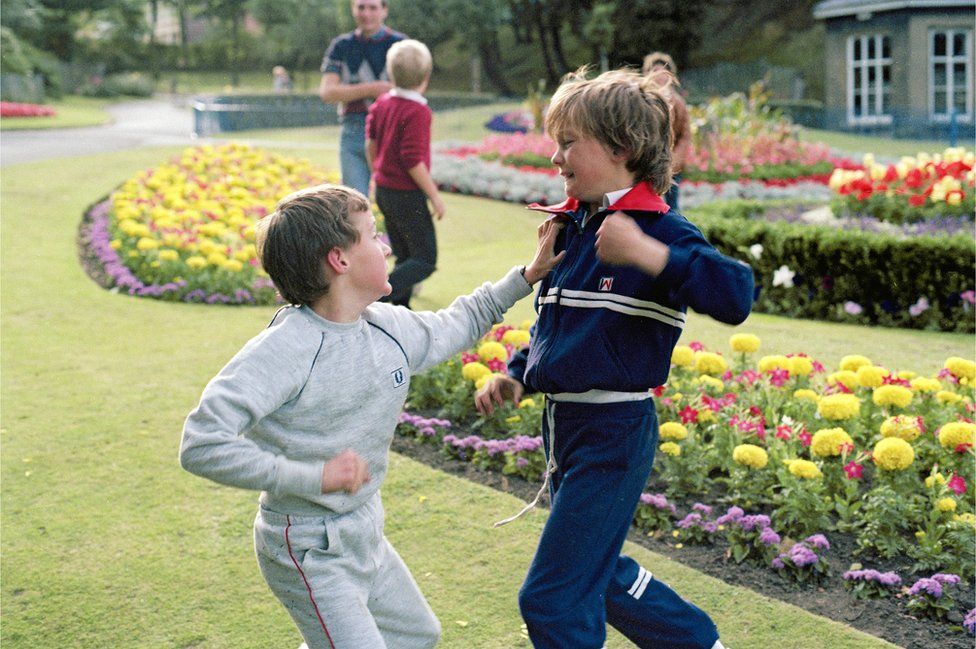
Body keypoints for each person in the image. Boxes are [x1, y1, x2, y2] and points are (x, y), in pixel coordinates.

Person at [179, 183, 564, 649]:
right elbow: (201, 443)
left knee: (414, 634)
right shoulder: (283, 350)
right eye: (372, 235)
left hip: (363, 529)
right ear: (339, 259)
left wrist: (527, 275)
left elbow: (461, 321)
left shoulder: (387, 326)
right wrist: (311, 476)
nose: (385, 246)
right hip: (306, 547)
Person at [475, 68, 753, 649]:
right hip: (568, 431)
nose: (556, 157)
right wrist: (520, 374)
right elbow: (568, 325)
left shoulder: (659, 230)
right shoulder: (576, 226)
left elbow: (735, 295)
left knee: (551, 598)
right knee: (597, 573)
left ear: (622, 148)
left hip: (614, 433)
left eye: (569, 142)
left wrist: (649, 254)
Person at [366, 40, 443, 309]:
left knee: (404, 254)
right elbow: (413, 160)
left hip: (385, 189)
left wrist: (376, 175)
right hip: (406, 194)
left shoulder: (382, 103)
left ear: (390, 74)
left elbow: (370, 144)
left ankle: (398, 310)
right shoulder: (418, 111)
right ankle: (377, 295)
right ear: (426, 78)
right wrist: (435, 196)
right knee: (424, 259)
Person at [319, 0, 406, 196]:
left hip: (392, 131)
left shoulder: (401, 45)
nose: (366, 13)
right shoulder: (341, 46)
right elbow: (327, 93)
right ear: (353, 10)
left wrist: (349, 91)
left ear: (384, 10)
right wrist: (375, 88)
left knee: (395, 203)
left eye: (373, 7)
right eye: (361, 7)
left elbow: (412, 92)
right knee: (355, 204)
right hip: (354, 131)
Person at [642, 52, 692, 211]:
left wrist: (675, 160)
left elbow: (685, 136)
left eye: (663, 72)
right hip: (648, 162)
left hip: (671, 163)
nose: (659, 76)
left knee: (672, 205)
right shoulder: (642, 100)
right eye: (655, 71)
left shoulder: (678, 103)